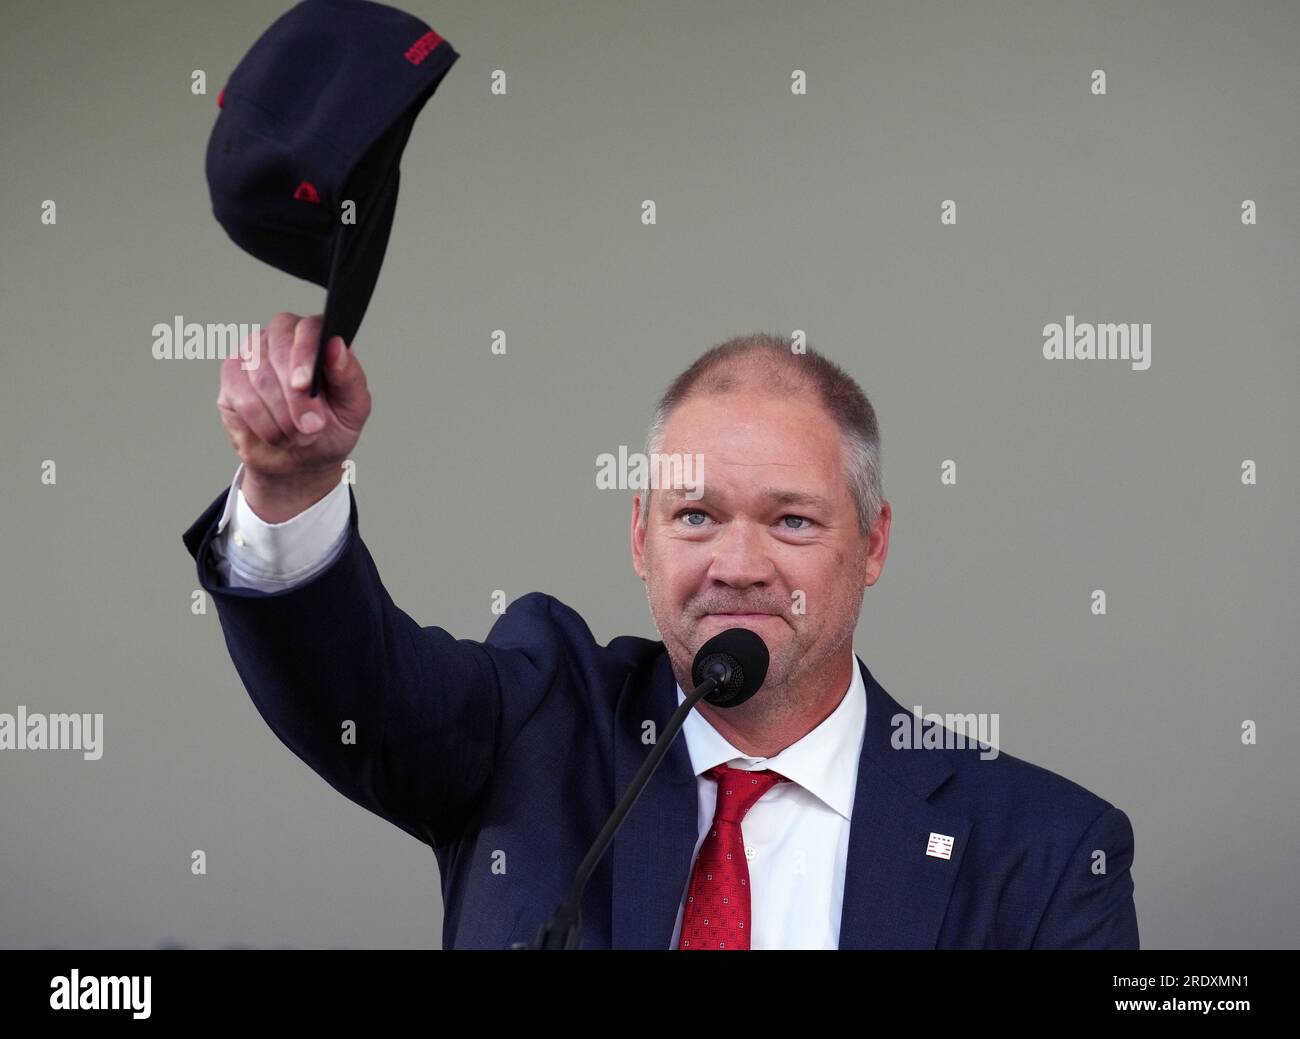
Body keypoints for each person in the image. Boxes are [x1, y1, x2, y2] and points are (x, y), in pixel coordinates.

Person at [182, 312, 1139, 949]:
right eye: (696, 516)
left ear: (874, 541)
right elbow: (358, 693)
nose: (738, 563)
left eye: (792, 520)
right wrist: (290, 489)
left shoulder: (1045, 853)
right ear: (638, 534)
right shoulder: (537, 729)